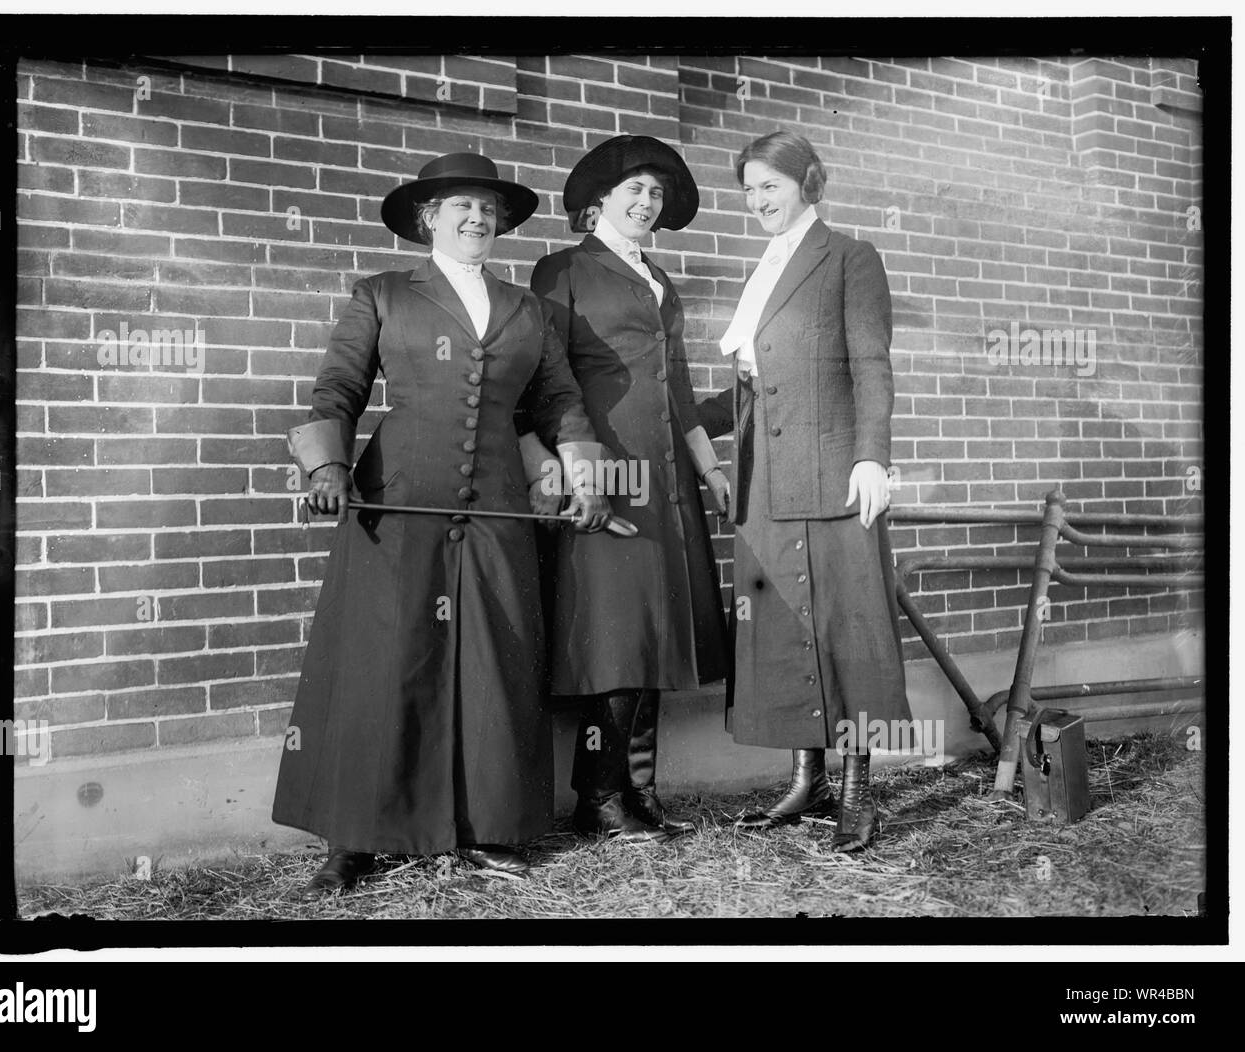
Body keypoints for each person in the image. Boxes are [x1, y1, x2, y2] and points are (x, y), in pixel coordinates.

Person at [272, 152, 609, 895]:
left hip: (495, 505)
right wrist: (326, 468)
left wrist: (584, 475)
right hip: (397, 504)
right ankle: (354, 837)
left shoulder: (529, 309)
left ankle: (488, 827)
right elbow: (337, 387)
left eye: (488, 208)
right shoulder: (385, 294)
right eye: (460, 206)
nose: (476, 218)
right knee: (382, 664)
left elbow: (561, 403)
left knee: (494, 660)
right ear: (429, 218)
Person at [698, 130, 912, 852]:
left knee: (850, 628)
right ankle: (807, 780)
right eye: (750, 188)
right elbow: (753, 388)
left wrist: (872, 458)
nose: (759, 199)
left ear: (808, 182)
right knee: (786, 627)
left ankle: (858, 790)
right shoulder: (762, 269)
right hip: (765, 480)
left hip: (831, 472)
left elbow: (872, 364)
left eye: (772, 185)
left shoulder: (850, 257)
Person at [518, 135, 729, 843]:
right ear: (599, 200)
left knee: (655, 633)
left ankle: (639, 792)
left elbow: (679, 388)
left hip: (666, 483)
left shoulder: (661, 281)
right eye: (634, 189)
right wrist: (554, 469)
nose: (647, 202)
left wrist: (709, 468)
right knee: (614, 637)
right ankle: (597, 798)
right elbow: (539, 377)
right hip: (603, 477)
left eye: (657, 194)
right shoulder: (563, 270)